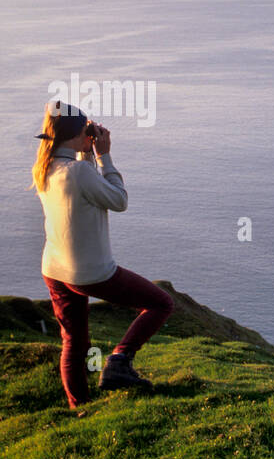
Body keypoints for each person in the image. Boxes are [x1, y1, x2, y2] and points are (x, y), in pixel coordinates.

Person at [31, 100, 173, 408]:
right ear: (76, 134)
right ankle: (119, 361)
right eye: (86, 131)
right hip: (90, 272)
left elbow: (85, 185)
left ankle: (78, 406)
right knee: (160, 303)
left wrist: (85, 152)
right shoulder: (80, 171)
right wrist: (104, 156)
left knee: (74, 343)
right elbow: (119, 200)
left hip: (54, 269)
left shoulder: (46, 166)